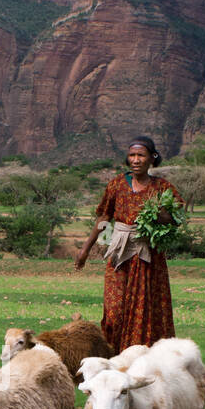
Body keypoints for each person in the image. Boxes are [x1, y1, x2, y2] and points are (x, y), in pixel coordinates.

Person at [74, 136, 183, 350]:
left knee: (147, 310)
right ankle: (112, 355)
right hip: (120, 253)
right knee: (114, 311)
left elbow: (175, 217)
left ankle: (145, 359)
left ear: (152, 158)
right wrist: (85, 250)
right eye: (132, 155)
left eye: (140, 155)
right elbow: (104, 217)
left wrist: (161, 215)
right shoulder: (116, 185)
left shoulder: (162, 188)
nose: (135, 160)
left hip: (148, 256)